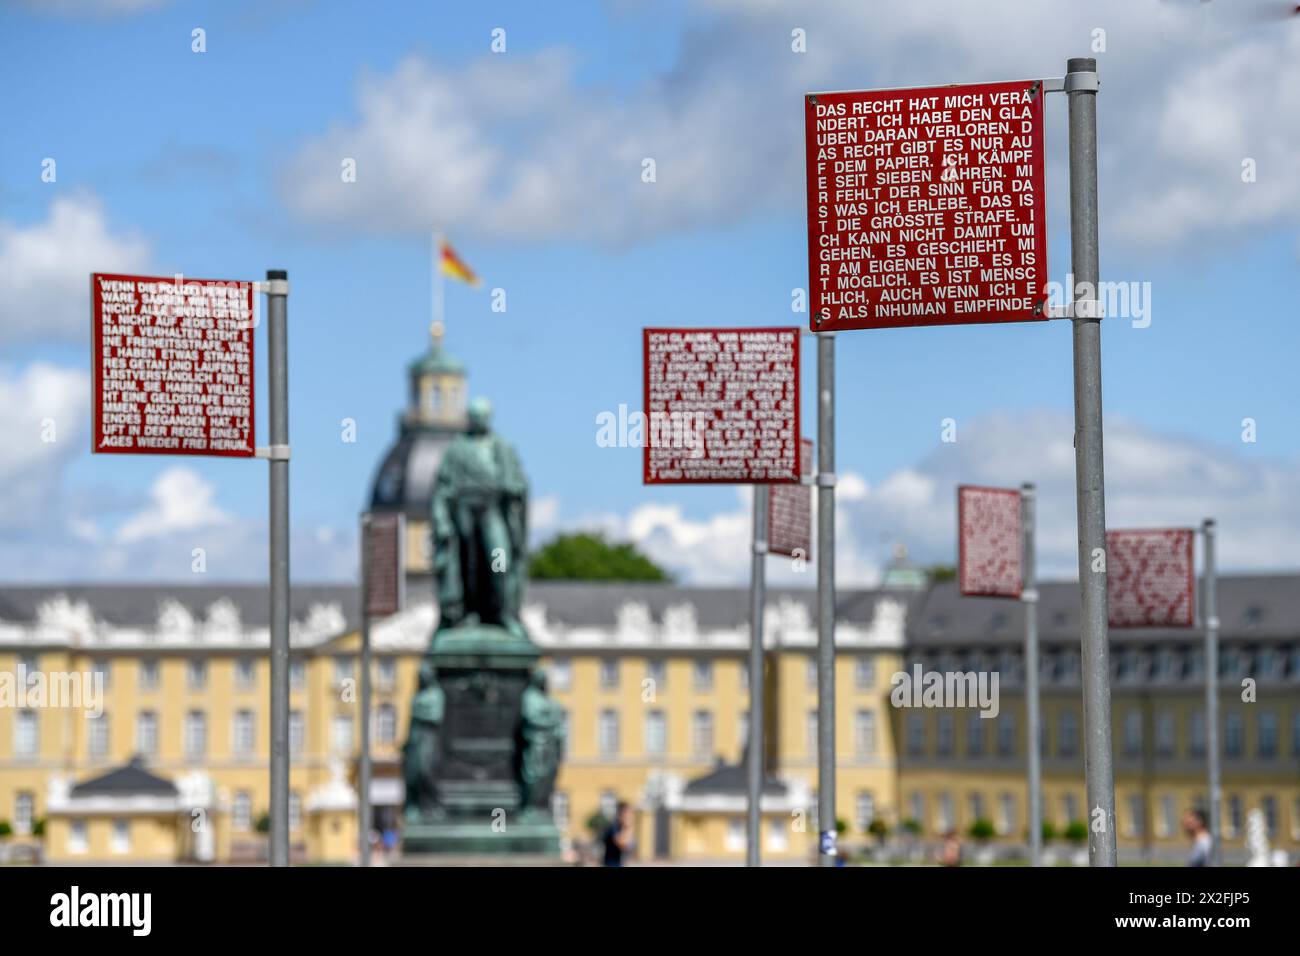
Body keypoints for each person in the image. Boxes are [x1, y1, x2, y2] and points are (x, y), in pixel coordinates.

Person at [602, 801, 634, 867]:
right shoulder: (613, 827)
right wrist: (627, 828)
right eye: (628, 813)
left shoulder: (621, 827)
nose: (630, 816)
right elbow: (623, 845)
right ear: (621, 814)